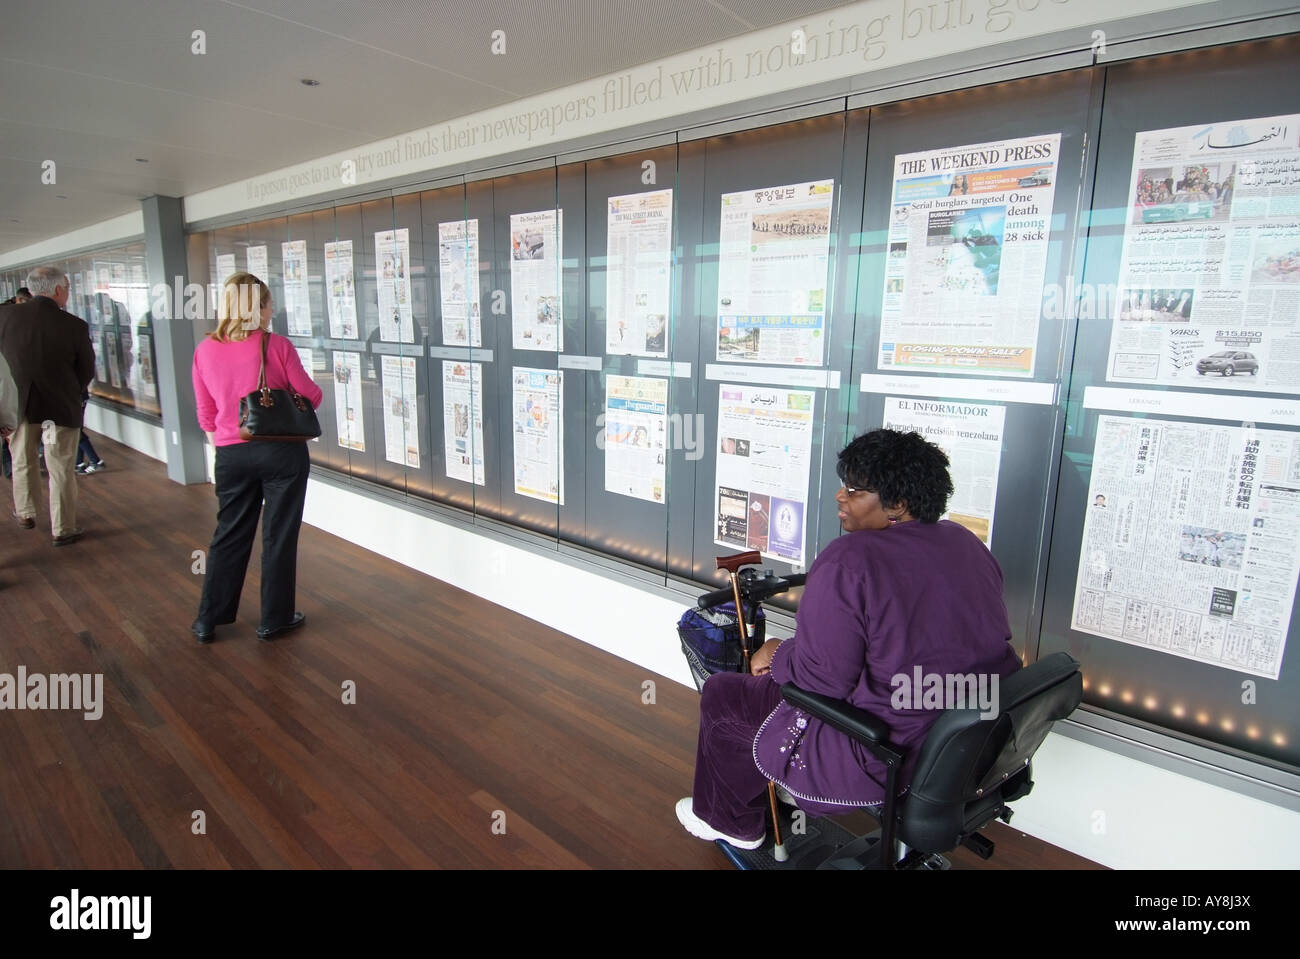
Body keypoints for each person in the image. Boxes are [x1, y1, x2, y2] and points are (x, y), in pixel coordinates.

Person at [676, 429, 1021, 849]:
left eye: (855, 490)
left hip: (882, 748)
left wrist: (778, 652)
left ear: (898, 504)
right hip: (961, 745)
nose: (841, 496)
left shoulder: (850, 559)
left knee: (724, 694)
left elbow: (822, 680)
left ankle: (731, 822)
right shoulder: (965, 542)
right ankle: (761, 790)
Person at [191, 273, 323, 644]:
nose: (271, 311)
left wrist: (225, 445)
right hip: (280, 451)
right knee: (278, 534)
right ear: (258, 307)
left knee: (229, 533)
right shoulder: (275, 345)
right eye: (268, 304)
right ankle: (274, 619)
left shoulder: (205, 350)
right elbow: (309, 395)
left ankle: (208, 618)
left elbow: (206, 414)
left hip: (230, 453)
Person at [0, 267, 95, 546]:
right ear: (57, 290)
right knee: (61, 465)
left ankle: (26, 511)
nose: (67, 292)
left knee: (22, 459)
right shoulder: (75, 325)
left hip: (20, 407)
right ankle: (63, 528)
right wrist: (68, 389)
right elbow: (86, 370)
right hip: (59, 409)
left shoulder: (4, 317)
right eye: (66, 287)